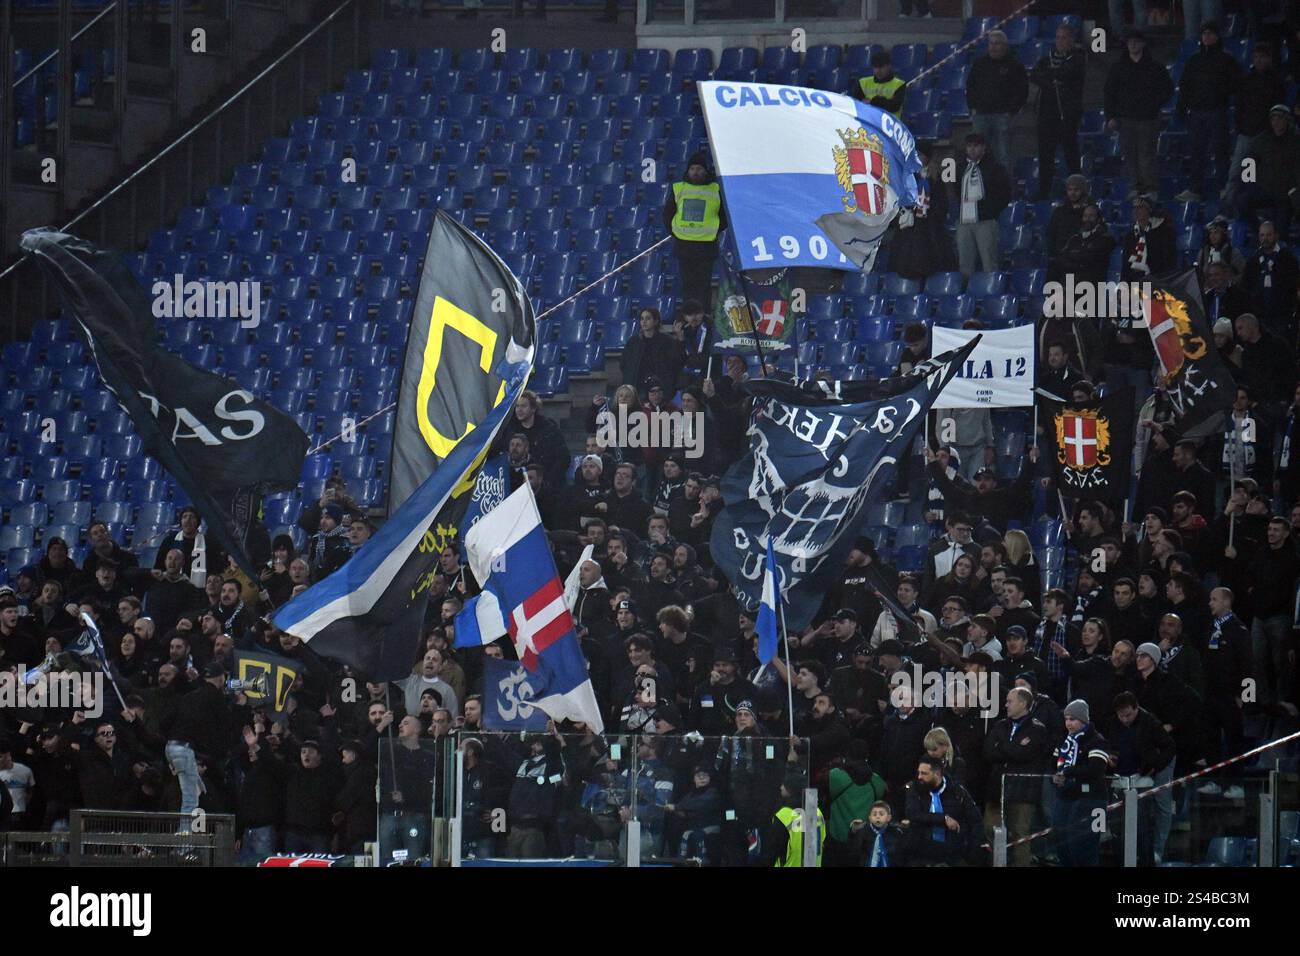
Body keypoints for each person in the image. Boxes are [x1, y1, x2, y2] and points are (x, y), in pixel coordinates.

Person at [983, 686, 1052, 866]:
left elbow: (1025, 755)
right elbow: (988, 752)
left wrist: (1002, 747)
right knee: (990, 829)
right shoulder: (999, 725)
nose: (1006, 705)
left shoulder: (1037, 729)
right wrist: (1014, 747)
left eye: (1010, 701)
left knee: (1020, 835)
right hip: (996, 790)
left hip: (1023, 791)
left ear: (1023, 703)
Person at [1174, 22, 1240, 203]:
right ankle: (1195, 190)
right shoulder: (1194, 60)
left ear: (1217, 36)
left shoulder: (1227, 60)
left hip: (1217, 111)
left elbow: (1236, 84)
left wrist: (1220, 93)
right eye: (1204, 33)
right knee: (1196, 152)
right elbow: (1185, 87)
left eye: (1211, 33)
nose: (1207, 37)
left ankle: (1223, 187)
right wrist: (1181, 109)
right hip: (1196, 113)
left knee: (1221, 152)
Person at [1108, 691, 1177, 866]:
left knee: (1142, 828)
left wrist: (1154, 766)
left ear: (1136, 708)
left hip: (1142, 781)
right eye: (1121, 716)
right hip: (1119, 781)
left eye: (1128, 715)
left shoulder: (1150, 722)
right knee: (1118, 829)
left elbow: (1169, 747)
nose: (1124, 719)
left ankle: (1145, 861)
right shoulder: (1113, 723)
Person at [1103, 31, 1174, 200]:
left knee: (1146, 155)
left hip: (1148, 118)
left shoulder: (1155, 67)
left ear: (1143, 44)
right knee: (1130, 155)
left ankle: (1150, 188)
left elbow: (1167, 89)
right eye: (1130, 41)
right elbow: (1109, 93)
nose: (1133, 44)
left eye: (1136, 41)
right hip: (1126, 118)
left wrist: (1153, 104)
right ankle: (1134, 187)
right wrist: (1110, 116)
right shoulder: (1118, 67)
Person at [662, 152, 726, 313]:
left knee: (704, 286)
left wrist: (713, 229)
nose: (695, 172)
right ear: (688, 171)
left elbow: (724, 216)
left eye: (698, 168)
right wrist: (677, 232)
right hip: (685, 246)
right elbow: (668, 214)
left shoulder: (716, 188)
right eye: (692, 168)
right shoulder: (678, 188)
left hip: (706, 247)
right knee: (688, 286)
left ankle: (702, 317)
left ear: (706, 171)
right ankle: (688, 317)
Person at [1051, 699, 1112, 867]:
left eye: (1073, 719)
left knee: (1083, 846)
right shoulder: (1065, 742)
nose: (1068, 723)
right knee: (1062, 843)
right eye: (1066, 719)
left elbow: (1096, 769)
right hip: (1065, 797)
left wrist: (1068, 772)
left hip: (1091, 799)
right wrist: (1055, 775)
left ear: (1083, 719)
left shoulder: (1097, 741)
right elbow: (1053, 763)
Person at [1029, 22, 1085, 200]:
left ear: (1071, 40)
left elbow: (1068, 74)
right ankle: (1044, 191)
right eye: (1058, 37)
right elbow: (1034, 75)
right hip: (1047, 114)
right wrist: (1052, 80)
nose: (1060, 41)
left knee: (1071, 155)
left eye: (1064, 38)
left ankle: (1078, 191)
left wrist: (1051, 76)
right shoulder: (1047, 58)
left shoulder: (1078, 58)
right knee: (1045, 155)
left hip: (1068, 114)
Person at [901, 755, 983, 866]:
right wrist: (943, 818)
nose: (919, 777)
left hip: (952, 851)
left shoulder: (957, 792)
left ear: (937, 774)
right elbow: (913, 814)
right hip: (921, 851)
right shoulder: (914, 790)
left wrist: (972, 849)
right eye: (919, 772)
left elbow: (976, 820)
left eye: (924, 773)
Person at [953, 133, 1011, 279]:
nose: (972, 149)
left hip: (985, 220)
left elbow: (1004, 194)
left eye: (976, 146)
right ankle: (966, 296)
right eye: (969, 146)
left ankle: (992, 293)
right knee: (964, 263)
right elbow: (955, 192)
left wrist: (990, 211)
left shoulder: (996, 168)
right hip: (964, 220)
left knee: (989, 262)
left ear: (984, 148)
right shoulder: (959, 168)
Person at [966, 31, 1028, 166]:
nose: (993, 47)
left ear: (1005, 46)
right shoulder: (979, 64)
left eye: (997, 43)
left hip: (1003, 117)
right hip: (981, 115)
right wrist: (972, 108)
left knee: (1003, 156)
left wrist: (1011, 111)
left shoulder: (1014, 65)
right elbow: (970, 87)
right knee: (977, 157)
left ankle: (1004, 187)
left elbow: (1022, 90)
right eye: (991, 43)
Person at [1238, 105, 1300, 240]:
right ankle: (1260, 232)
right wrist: (1250, 184)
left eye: (1279, 118)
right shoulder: (1262, 140)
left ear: (1287, 120)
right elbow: (1248, 162)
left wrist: (1294, 190)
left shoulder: (1296, 141)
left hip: (1285, 194)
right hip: (1264, 189)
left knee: (1281, 235)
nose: (1275, 122)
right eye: (1273, 119)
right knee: (1242, 201)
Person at [620, 308, 681, 398]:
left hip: (660, 387)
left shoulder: (667, 341)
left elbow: (673, 364)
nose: (644, 321)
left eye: (648, 318)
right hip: (638, 385)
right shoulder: (633, 342)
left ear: (656, 321)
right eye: (642, 318)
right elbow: (624, 363)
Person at [1121, 195, 1177, 281]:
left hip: (1156, 281)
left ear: (1149, 210)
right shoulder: (1130, 235)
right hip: (1135, 282)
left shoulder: (1163, 232)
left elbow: (1168, 262)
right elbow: (1126, 265)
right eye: (1134, 208)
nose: (1136, 211)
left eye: (1140, 207)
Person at [847, 800, 905, 867]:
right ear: (870, 818)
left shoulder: (895, 832)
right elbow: (854, 850)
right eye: (874, 814)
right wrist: (853, 832)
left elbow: (900, 854)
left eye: (881, 814)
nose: (878, 817)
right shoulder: (864, 832)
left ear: (889, 818)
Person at [855, 49, 905, 116]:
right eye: (875, 67)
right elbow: (856, 104)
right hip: (868, 121)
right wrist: (884, 102)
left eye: (881, 67)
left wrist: (872, 101)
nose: (878, 71)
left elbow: (894, 107)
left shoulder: (899, 84)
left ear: (889, 66)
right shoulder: (863, 82)